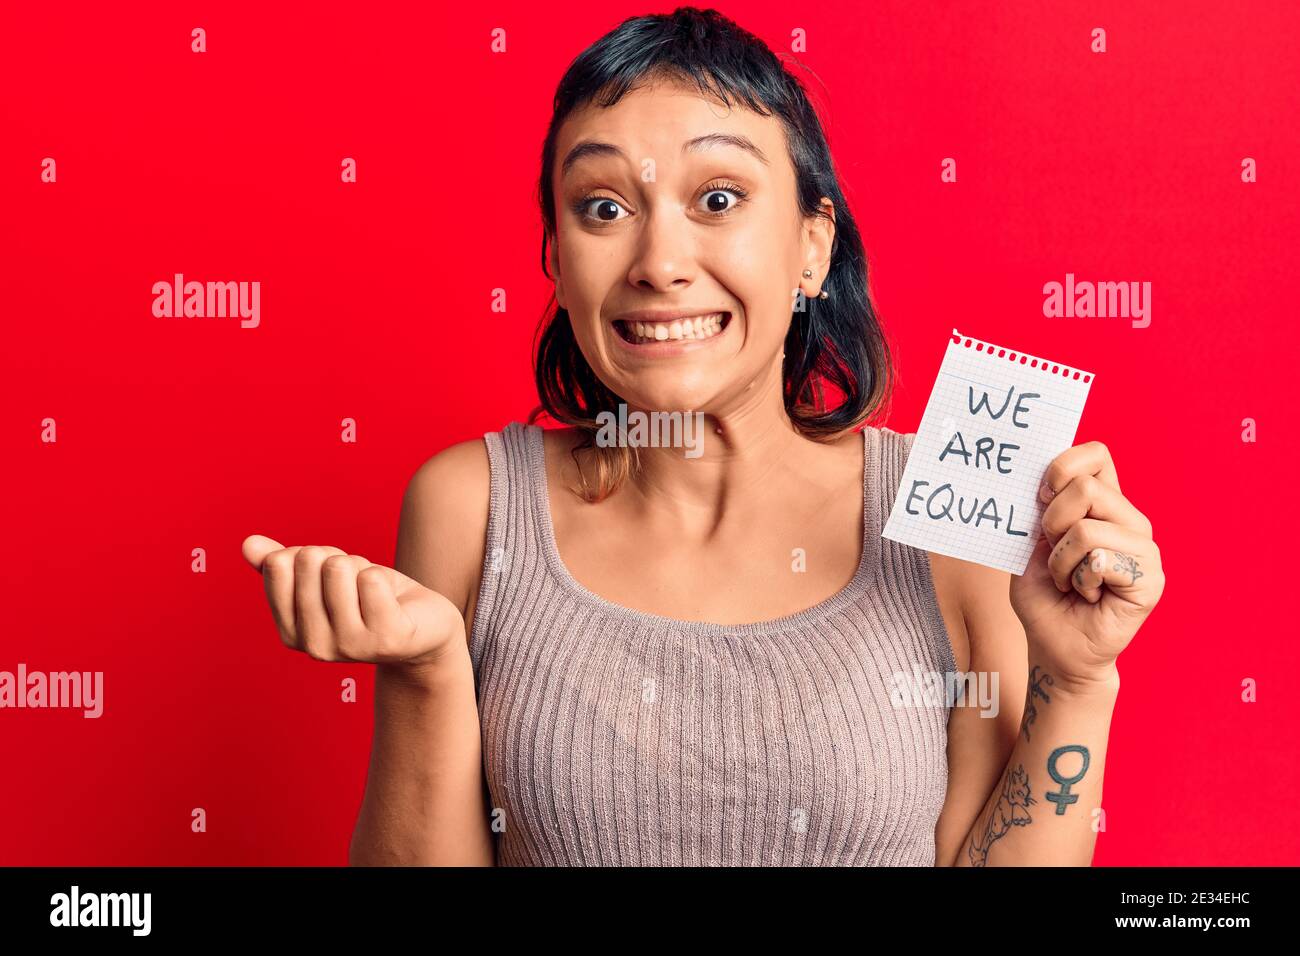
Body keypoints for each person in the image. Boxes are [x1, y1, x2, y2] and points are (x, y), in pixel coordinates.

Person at [242, 7, 1164, 866]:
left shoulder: (942, 517)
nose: (658, 264)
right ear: (557, 263)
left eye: (718, 199)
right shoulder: (468, 506)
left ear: (813, 246)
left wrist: (1077, 683)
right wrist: (424, 672)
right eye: (603, 208)